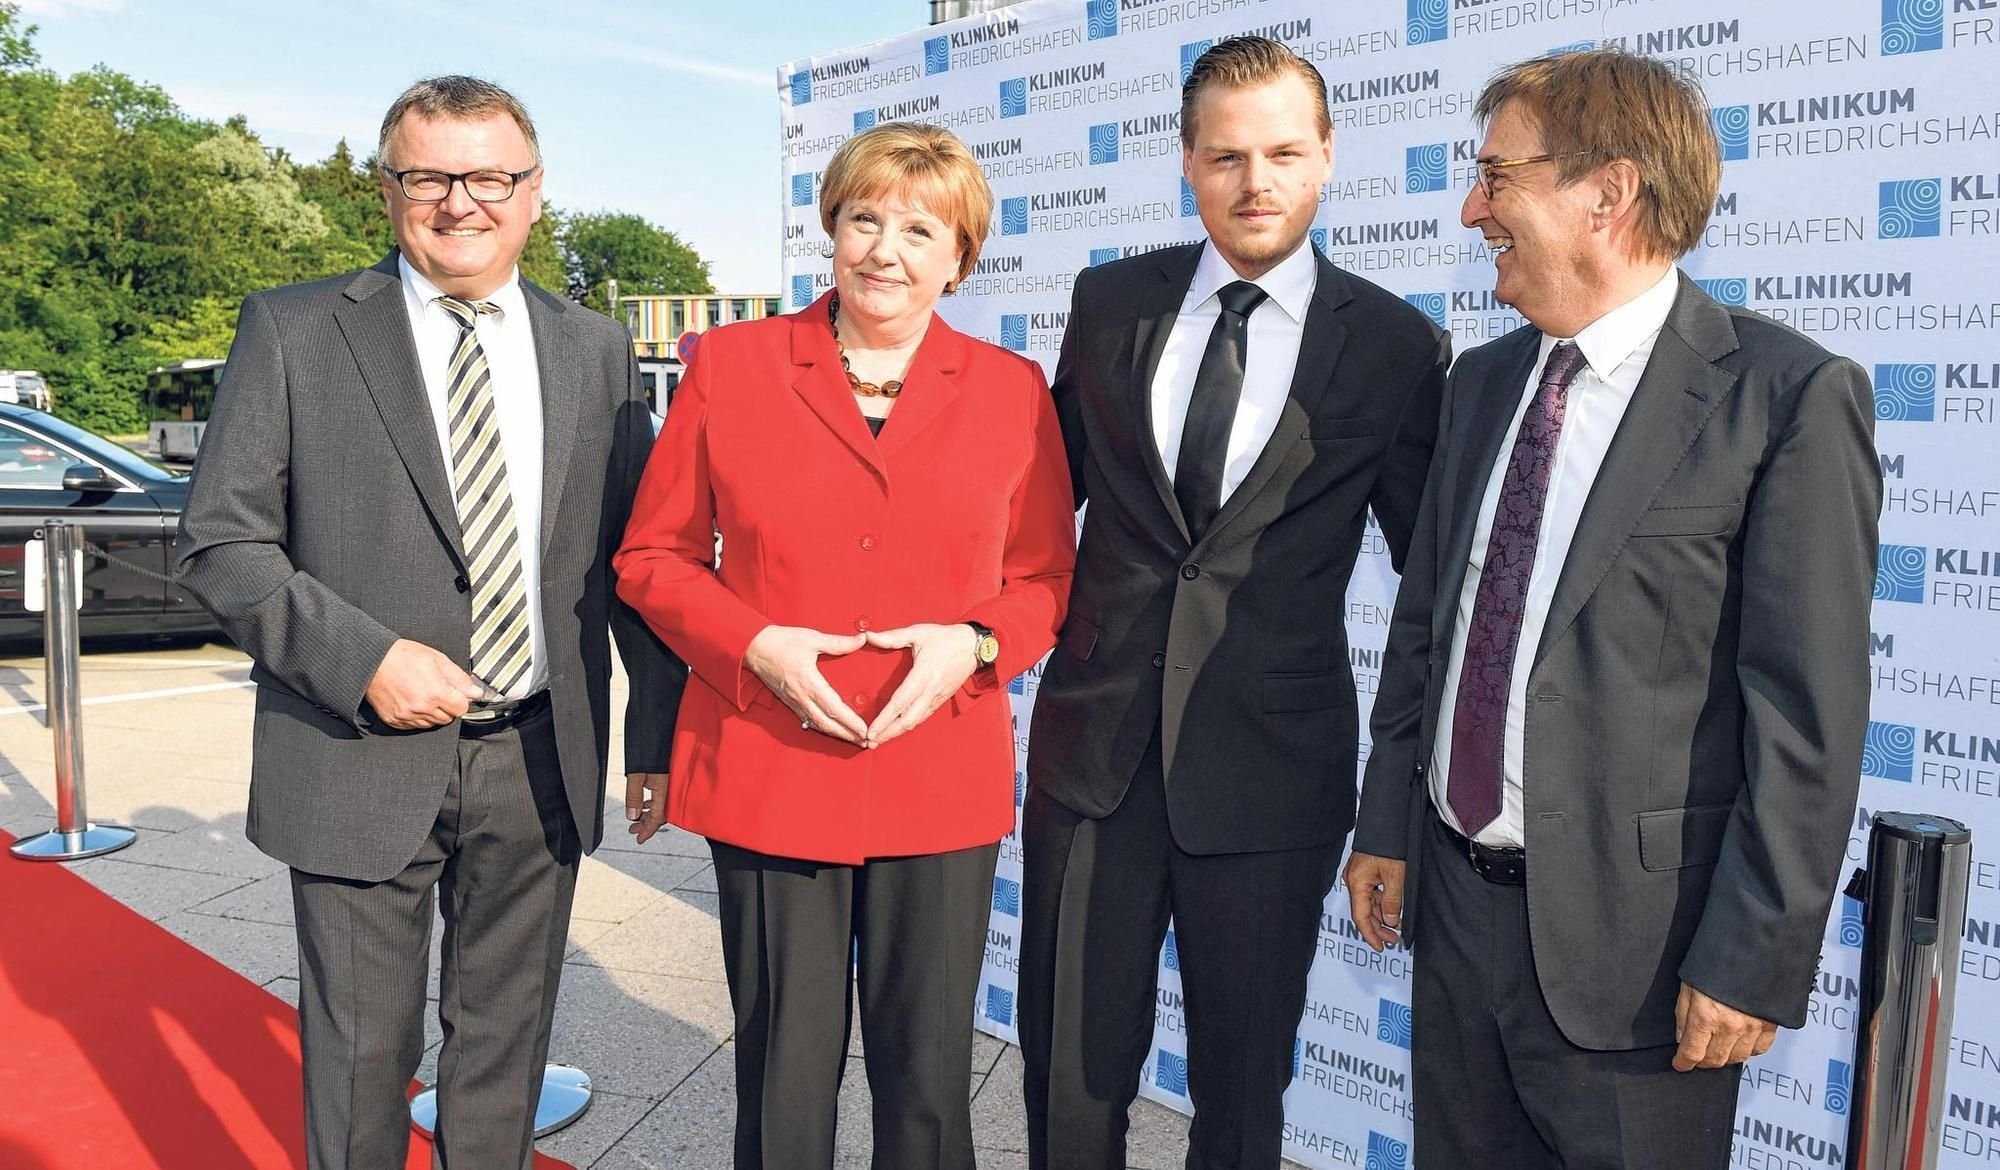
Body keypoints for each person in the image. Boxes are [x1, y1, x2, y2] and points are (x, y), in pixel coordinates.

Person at [1344, 48, 1880, 1169]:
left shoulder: (1782, 397)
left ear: (1607, 191)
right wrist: (1385, 826)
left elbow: (1804, 721)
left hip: (1641, 967)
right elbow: (1428, 628)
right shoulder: (1481, 384)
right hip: (1453, 921)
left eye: (1496, 178)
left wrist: (1747, 956)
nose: (1469, 208)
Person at [174, 76, 684, 1169]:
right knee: (360, 1065)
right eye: (429, 176)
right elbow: (220, 541)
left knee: (504, 1059)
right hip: (355, 749)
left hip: (541, 751)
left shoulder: (593, 348)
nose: (461, 201)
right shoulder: (295, 328)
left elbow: (628, 560)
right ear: (388, 189)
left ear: (534, 192)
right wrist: (363, 660)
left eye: (490, 176)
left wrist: (651, 740)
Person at [1018, 37, 1449, 1170]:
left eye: (1281, 153)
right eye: (1224, 156)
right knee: (1067, 1078)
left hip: (1273, 777)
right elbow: (1030, 506)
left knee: (1243, 1099)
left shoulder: (1398, 346)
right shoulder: (1108, 302)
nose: (1253, 182)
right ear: (1185, 162)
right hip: (1092, 764)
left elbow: (1430, 591)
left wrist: (1395, 814)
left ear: (1325, 159)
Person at [612, 121, 1075, 1170]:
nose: (885, 250)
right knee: (781, 1080)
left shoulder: (1011, 392)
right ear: (830, 227)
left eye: (920, 229)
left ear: (959, 257)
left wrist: (974, 641)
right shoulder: (729, 367)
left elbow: (1044, 577)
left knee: (926, 1089)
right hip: (771, 767)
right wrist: (756, 642)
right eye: (864, 219)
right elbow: (652, 557)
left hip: (936, 773)